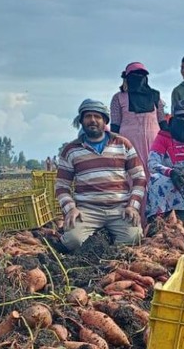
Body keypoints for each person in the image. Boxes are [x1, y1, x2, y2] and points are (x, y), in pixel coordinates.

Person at [56, 99, 146, 252]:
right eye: (88, 116)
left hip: (119, 209)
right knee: (73, 241)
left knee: (134, 238)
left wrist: (132, 206)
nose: (92, 120)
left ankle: (109, 249)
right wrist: (70, 209)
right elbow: (61, 186)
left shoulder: (122, 144)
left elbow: (139, 178)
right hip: (87, 210)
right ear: (81, 121)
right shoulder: (71, 150)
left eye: (97, 116)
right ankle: (92, 239)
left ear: (105, 121)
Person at [110, 61, 166, 175]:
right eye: (135, 74)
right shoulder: (119, 98)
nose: (139, 77)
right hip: (129, 143)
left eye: (142, 74)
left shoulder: (155, 96)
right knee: (134, 174)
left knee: (154, 173)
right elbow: (115, 126)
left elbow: (162, 122)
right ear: (127, 78)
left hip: (154, 143)